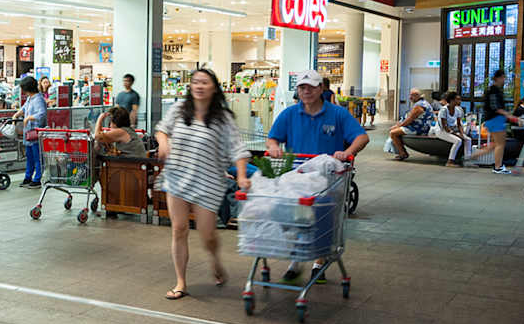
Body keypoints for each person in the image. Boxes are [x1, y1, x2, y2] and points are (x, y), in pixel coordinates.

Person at [267, 69, 370, 283]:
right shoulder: (289, 114)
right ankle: (296, 261)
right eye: (302, 87)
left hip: (327, 177)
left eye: (312, 87)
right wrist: (275, 147)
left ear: (321, 88)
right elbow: (272, 138)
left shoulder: (337, 114)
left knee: (322, 218)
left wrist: (347, 152)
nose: (307, 91)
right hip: (297, 177)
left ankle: (318, 262)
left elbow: (361, 137)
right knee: (296, 218)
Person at [156, 68, 249, 300]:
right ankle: (181, 282)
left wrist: (241, 175)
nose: (198, 86)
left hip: (208, 181)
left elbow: (238, 148)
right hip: (177, 176)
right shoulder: (179, 109)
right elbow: (162, 130)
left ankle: (216, 262)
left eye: (204, 82)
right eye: (195, 82)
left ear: (214, 88)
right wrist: (163, 143)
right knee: (179, 229)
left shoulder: (223, 118)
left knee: (207, 235)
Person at [468, 70, 521, 174]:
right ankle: (498, 167)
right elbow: (495, 107)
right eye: (503, 77)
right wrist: (509, 116)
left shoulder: (494, 90)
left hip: (494, 120)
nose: (504, 80)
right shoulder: (493, 91)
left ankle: (471, 157)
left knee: (494, 145)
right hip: (495, 119)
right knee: (500, 144)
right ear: (498, 78)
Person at [15, 76, 47, 188]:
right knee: (29, 156)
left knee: (37, 157)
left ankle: (37, 179)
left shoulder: (38, 99)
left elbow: (42, 114)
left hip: (36, 133)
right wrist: (17, 114)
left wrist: (29, 118)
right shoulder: (30, 98)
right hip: (29, 133)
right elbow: (24, 108)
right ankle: (28, 177)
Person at [387, 89, 436, 161]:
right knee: (395, 130)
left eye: (412, 95)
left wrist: (398, 126)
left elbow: (410, 119)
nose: (410, 97)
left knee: (393, 133)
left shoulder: (419, 106)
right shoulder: (423, 103)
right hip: (420, 126)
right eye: (410, 95)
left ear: (417, 96)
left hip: (419, 128)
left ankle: (402, 153)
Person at [433, 90, 471, 167]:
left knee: (468, 139)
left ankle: (468, 160)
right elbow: (444, 126)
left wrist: (462, 133)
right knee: (458, 141)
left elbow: (459, 124)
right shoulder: (443, 110)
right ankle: (450, 161)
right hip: (441, 131)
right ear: (451, 100)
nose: (460, 101)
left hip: (451, 130)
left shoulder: (458, 110)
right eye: (458, 99)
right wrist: (457, 135)